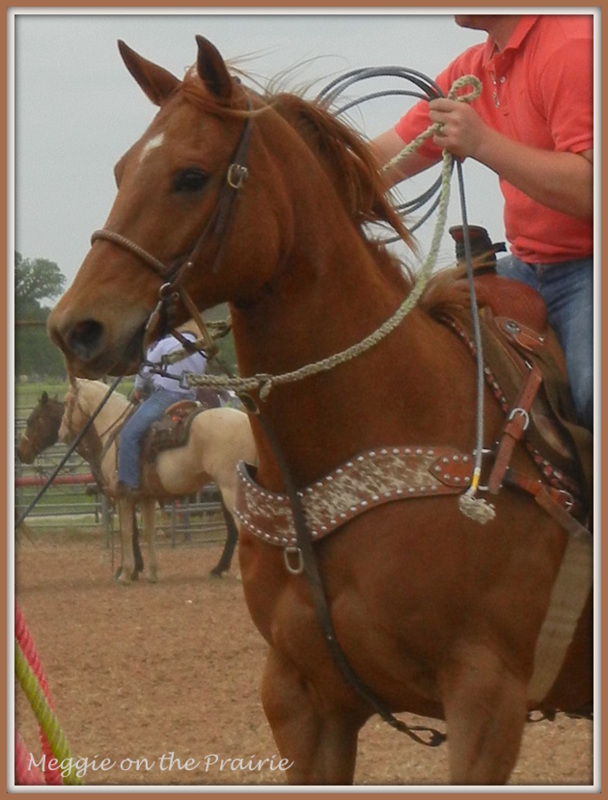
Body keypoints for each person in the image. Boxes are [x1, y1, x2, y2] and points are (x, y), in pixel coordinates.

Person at [372, 14, 593, 430]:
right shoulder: (473, 70)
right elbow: (386, 157)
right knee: (432, 360)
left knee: (592, 393)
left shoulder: (572, 44)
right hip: (526, 266)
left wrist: (482, 142)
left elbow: (590, 189)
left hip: (589, 267)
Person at [117, 323, 207, 493]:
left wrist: (138, 388)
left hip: (166, 396)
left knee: (129, 434)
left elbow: (146, 370)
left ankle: (129, 483)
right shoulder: (202, 350)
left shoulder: (166, 344)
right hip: (190, 398)